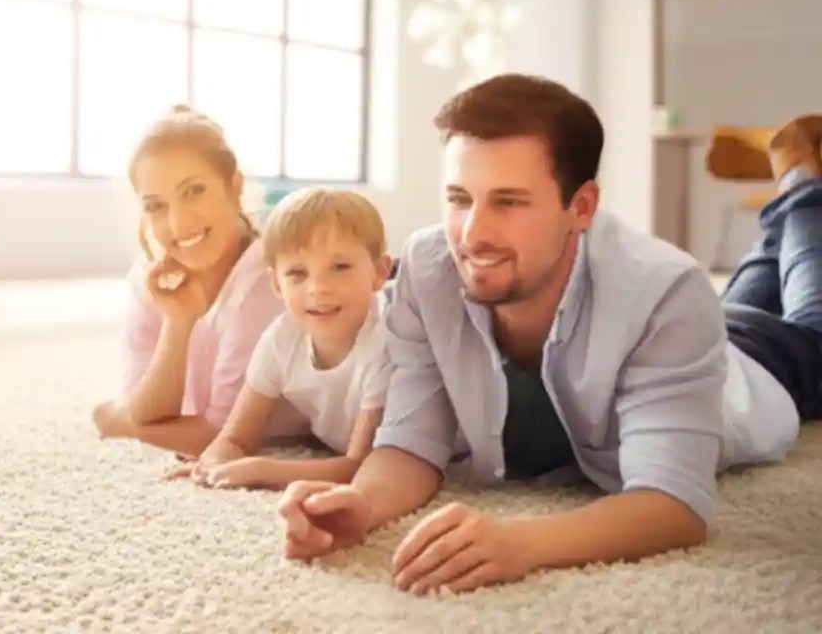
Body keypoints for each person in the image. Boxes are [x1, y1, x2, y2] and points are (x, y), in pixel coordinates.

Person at [275, 74, 820, 596]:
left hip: (752, 370)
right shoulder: (427, 267)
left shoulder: (668, 291)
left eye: (508, 202)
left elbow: (673, 504)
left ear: (581, 207)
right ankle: (779, 220)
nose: (473, 233)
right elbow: (413, 441)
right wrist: (363, 503)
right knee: (745, 295)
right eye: (460, 198)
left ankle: (798, 179)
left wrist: (522, 542)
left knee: (811, 322)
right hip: (693, 331)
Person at [93, 105, 309, 457]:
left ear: (234, 187)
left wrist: (119, 423)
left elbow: (223, 436)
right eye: (155, 206)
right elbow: (143, 410)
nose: (178, 224)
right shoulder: (151, 277)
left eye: (194, 191)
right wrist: (178, 323)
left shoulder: (267, 278)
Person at [178, 188, 395, 490]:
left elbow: (360, 465)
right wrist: (212, 463)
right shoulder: (282, 338)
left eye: (340, 267)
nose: (318, 288)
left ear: (380, 271)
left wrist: (263, 469)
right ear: (276, 284)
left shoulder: (386, 339)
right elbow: (235, 437)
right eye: (297, 273)